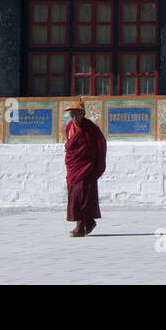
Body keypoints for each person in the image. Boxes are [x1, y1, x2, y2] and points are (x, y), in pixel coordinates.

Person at [63, 100, 107, 237]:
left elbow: (101, 146)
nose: (74, 117)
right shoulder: (69, 127)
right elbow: (70, 146)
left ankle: (81, 225)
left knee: (83, 195)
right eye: (72, 114)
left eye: (77, 113)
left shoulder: (91, 129)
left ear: (83, 114)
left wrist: (97, 165)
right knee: (75, 195)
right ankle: (88, 222)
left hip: (87, 167)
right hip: (74, 167)